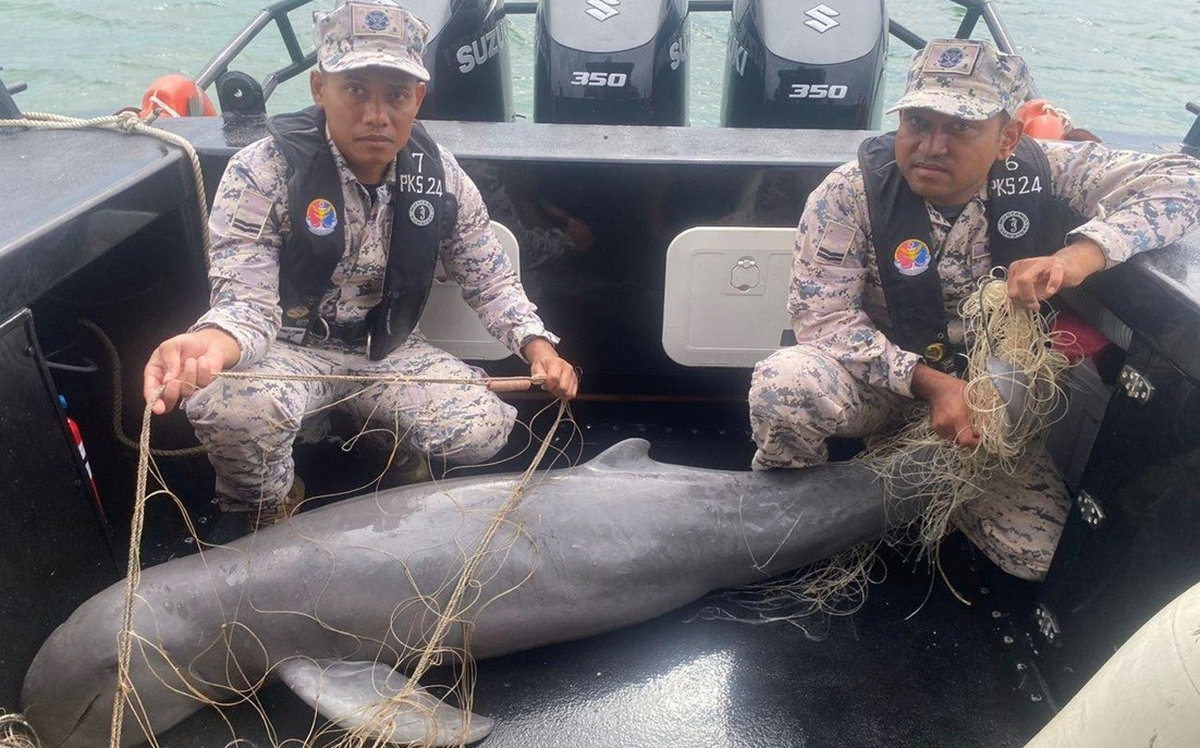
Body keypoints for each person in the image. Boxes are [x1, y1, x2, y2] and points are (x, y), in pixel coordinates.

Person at [748, 38, 1200, 580]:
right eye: (917, 121)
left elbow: (1185, 182)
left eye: (960, 127)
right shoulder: (848, 195)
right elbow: (823, 320)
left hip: (990, 411)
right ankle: (780, 522)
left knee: (1041, 559)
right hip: (880, 385)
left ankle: (933, 479)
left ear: (1007, 136)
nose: (930, 145)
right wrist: (932, 386)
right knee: (786, 381)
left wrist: (1081, 255)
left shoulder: (1044, 171)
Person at [143, 0, 577, 537]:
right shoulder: (261, 171)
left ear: (418, 99)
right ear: (319, 89)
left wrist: (539, 347)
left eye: (396, 95)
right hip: (288, 348)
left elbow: (490, 280)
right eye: (355, 91)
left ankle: (382, 438)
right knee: (231, 410)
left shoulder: (441, 178)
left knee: (482, 430)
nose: (377, 114)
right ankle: (264, 504)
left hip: (387, 349)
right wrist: (213, 342)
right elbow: (245, 305)